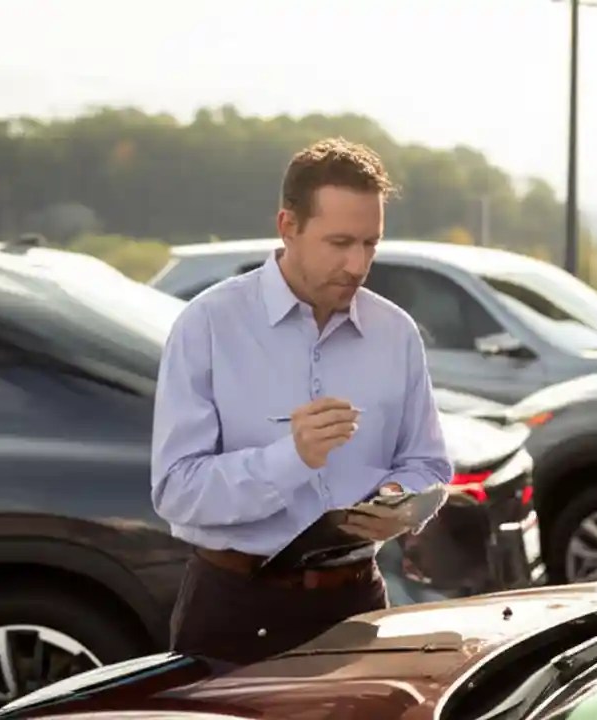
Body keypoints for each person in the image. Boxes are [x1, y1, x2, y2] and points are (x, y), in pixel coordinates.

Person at [151, 137, 453, 665]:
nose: (357, 265)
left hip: (357, 606)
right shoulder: (208, 326)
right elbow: (176, 490)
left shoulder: (396, 333)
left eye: (370, 244)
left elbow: (429, 463)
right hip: (233, 612)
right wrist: (291, 458)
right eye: (339, 242)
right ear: (287, 225)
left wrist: (401, 503)